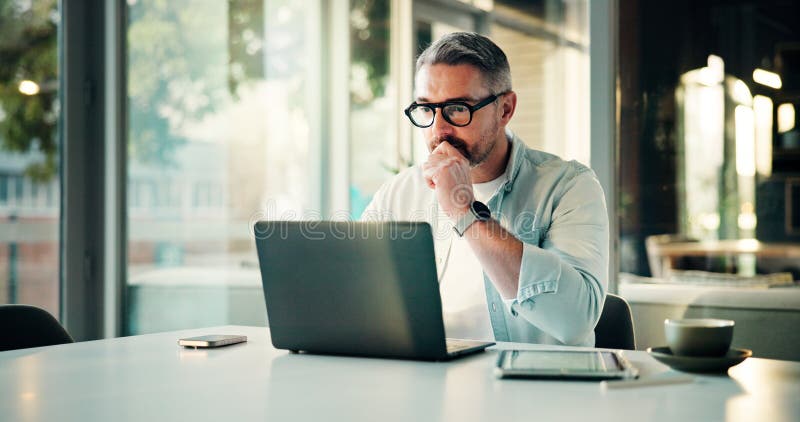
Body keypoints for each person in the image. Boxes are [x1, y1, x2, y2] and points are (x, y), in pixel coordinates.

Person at [362, 32, 608, 346]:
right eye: (426, 109)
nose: (439, 130)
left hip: (538, 390)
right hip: (427, 387)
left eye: (457, 109)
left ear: (505, 109)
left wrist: (464, 210)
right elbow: (357, 300)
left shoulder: (569, 187)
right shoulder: (398, 193)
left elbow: (574, 320)